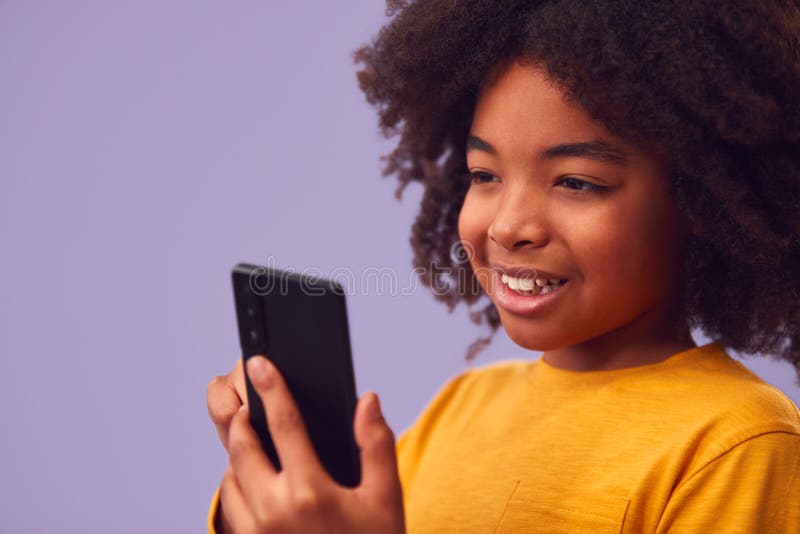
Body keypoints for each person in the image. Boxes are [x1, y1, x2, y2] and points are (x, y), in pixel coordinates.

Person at [206, 0, 800, 531]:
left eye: (575, 182)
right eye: (485, 175)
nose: (509, 226)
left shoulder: (737, 444)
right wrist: (267, 500)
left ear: (701, 199)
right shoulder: (462, 408)